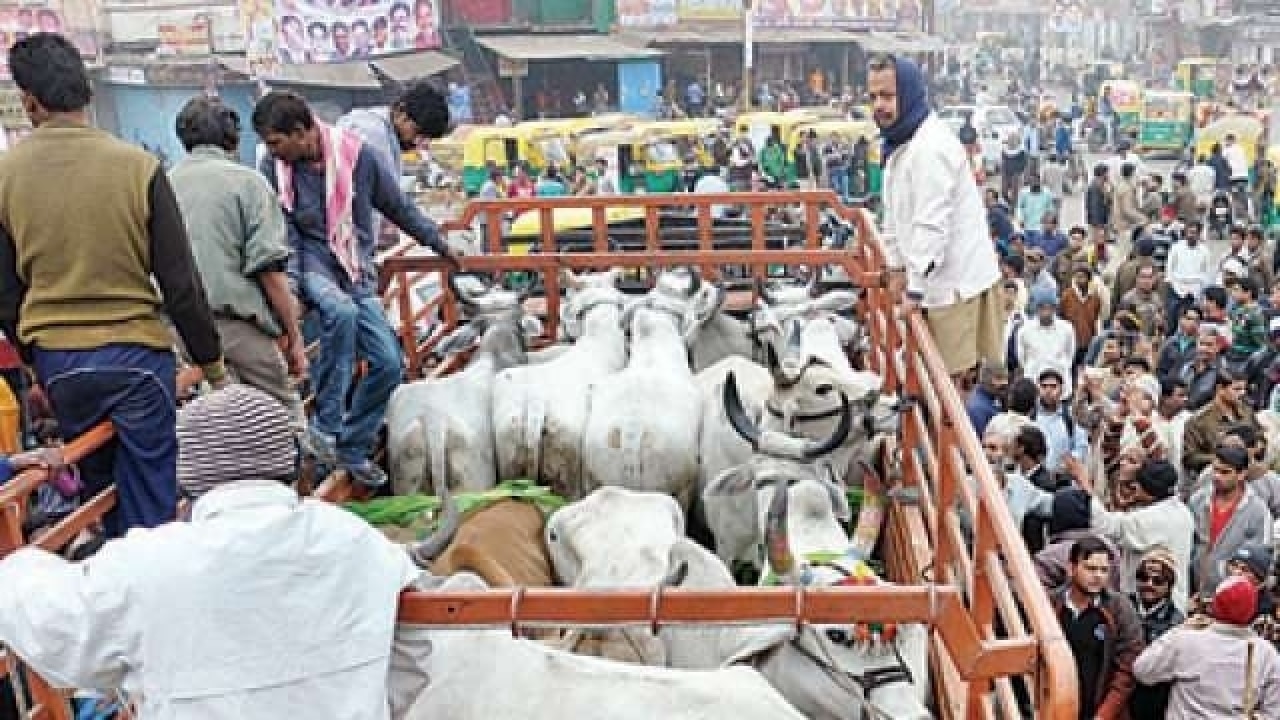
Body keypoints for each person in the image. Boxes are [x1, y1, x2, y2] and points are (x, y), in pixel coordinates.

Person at [0, 385, 423, 718]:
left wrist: (18, 567)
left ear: (186, 480)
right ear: (293, 464)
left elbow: (60, 633)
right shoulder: (357, 540)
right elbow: (413, 653)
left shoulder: (148, 562)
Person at [0, 34, 226, 537]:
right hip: (138, 357)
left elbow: (5, 292)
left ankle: (112, 581)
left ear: (30, 99)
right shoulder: (139, 166)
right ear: (86, 91)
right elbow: (180, 283)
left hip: (62, 364)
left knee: (100, 493)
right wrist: (211, 365)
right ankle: (151, 595)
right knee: (150, 498)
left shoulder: (5, 174)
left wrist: (36, 363)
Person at [253, 90, 458, 490]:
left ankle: (353, 444)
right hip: (311, 261)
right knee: (340, 313)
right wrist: (292, 286)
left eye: (278, 142)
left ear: (301, 132)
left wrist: (439, 243)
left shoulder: (359, 156)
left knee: (388, 363)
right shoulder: (271, 166)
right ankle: (325, 427)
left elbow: (397, 207)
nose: (273, 151)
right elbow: (284, 231)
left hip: (353, 263)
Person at [169, 96, 307, 431]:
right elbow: (270, 271)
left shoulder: (162, 182)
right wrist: (294, 338)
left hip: (177, 331)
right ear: (233, 139)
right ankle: (297, 477)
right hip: (237, 329)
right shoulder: (248, 183)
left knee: (207, 429)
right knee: (285, 419)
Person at [870, 54, 1002, 380]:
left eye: (887, 96)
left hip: (954, 284)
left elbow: (931, 225)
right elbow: (893, 215)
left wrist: (913, 289)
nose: (878, 106)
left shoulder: (931, 147)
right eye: (873, 97)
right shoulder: (898, 141)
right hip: (926, 278)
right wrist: (896, 266)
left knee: (948, 388)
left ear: (910, 94)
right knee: (925, 379)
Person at [1134, 575, 1280, 719]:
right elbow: (1273, 712)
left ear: (1215, 605)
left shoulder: (1185, 640)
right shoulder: (1267, 654)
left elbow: (1143, 671)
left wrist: (1177, 630)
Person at [1051, 535, 1145, 720]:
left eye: (1104, 570)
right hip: (1055, 705)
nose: (1098, 576)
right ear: (1071, 568)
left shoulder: (1119, 607)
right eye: (1090, 568)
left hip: (1099, 709)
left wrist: (1105, 714)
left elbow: (1128, 663)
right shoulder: (1050, 604)